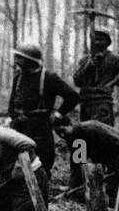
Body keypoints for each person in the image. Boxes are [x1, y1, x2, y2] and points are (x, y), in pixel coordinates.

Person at [8, 42, 79, 181]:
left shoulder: (48, 77)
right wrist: (11, 118)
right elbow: (12, 100)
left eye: (20, 58)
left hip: (39, 127)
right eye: (16, 57)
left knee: (43, 162)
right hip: (18, 126)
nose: (16, 61)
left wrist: (58, 114)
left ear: (30, 60)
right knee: (15, 160)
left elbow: (73, 97)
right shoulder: (18, 76)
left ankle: (42, 192)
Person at [59, 114, 119, 208]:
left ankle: (117, 207)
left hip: (118, 150)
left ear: (70, 124)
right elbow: (78, 161)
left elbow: (78, 163)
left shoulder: (79, 132)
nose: (61, 135)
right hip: (112, 149)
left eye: (63, 130)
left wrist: (73, 186)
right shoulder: (77, 131)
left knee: (115, 182)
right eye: (58, 132)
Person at [72, 29, 119, 126]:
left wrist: (113, 83)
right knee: (85, 135)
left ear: (107, 42)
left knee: (103, 135)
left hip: (102, 103)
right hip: (86, 103)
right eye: (96, 39)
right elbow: (77, 81)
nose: (98, 42)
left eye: (101, 39)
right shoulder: (85, 60)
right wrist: (88, 66)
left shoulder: (114, 59)